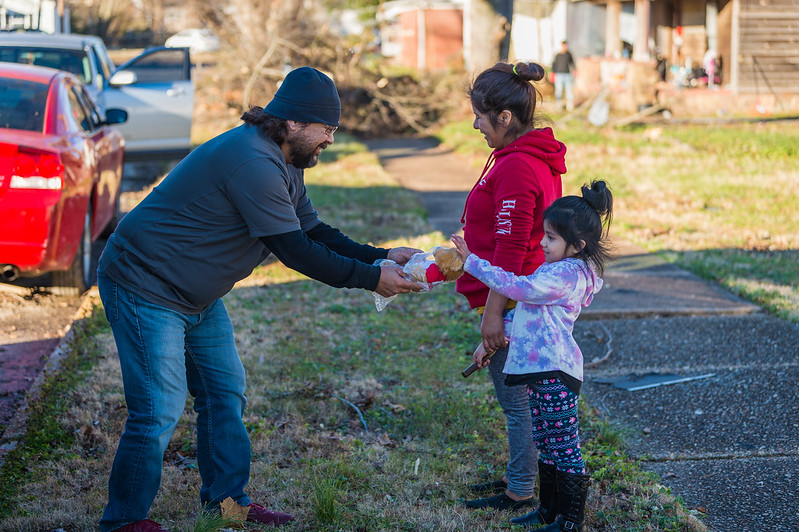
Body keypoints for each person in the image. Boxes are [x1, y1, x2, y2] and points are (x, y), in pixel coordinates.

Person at [95, 66, 422, 532]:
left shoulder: (285, 160)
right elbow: (294, 250)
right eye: (326, 128)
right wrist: (372, 279)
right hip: (144, 284)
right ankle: (124, 521)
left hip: (195, 294)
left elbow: (310, 229)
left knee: (224, 392)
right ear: (292, 122)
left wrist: (384, 254)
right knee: (159, 407)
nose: (331, 137)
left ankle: (227, 503)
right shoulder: (252, 160)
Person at [453, 180, 614, 532]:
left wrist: (473, 264)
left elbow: (518, 288)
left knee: (563, 447)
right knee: (546, 441)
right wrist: (493, 341)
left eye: (551, 238)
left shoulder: (567, 275)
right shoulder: (559, 271)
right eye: (545, 234)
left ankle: (569, 520)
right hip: (542, 370)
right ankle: (548, 512)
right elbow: (530, 313)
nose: (542, 242)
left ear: (578, 246)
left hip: (556, 373)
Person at [458, 61, 566, 513]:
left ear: (504, 117)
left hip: (511, 301)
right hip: (513, 298)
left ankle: (520, 489)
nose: (476, 124)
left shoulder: (519, 167)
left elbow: (512, 247)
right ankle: (519, 476)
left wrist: (493, 316)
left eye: (481, 115)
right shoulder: (517, 157)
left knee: (517, 403)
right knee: (518, 397)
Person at [551, 41, 576, 111]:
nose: (565, 47)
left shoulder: (569, 54)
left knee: (569, 91)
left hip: (567, 75)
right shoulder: (558, 55)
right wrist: (553, 73)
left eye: (566, 45)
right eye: (563, 45)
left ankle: (569, 107)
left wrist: (574, 70)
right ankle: (558, 106)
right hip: (559, 75)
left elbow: (572, 63)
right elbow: (554, 64)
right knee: (558, 91)